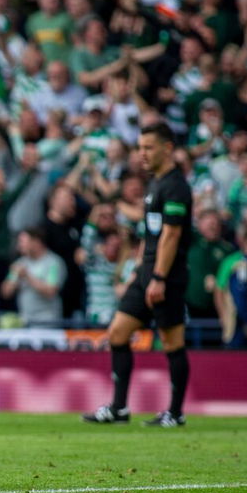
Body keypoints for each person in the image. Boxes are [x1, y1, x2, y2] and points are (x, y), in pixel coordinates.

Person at [83, 124, 195, 427]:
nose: (142, 154)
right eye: (140, 147)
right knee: (118, 333)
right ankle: (119, 408)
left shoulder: (176, 186)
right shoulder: (155, 184)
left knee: (172, 342)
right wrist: (138, 271)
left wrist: (158, 277)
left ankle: (175, 413)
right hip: (145, 273)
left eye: (148, 147)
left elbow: (171, 236)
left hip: (166, 276)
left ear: (167, 148)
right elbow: (152, 235)